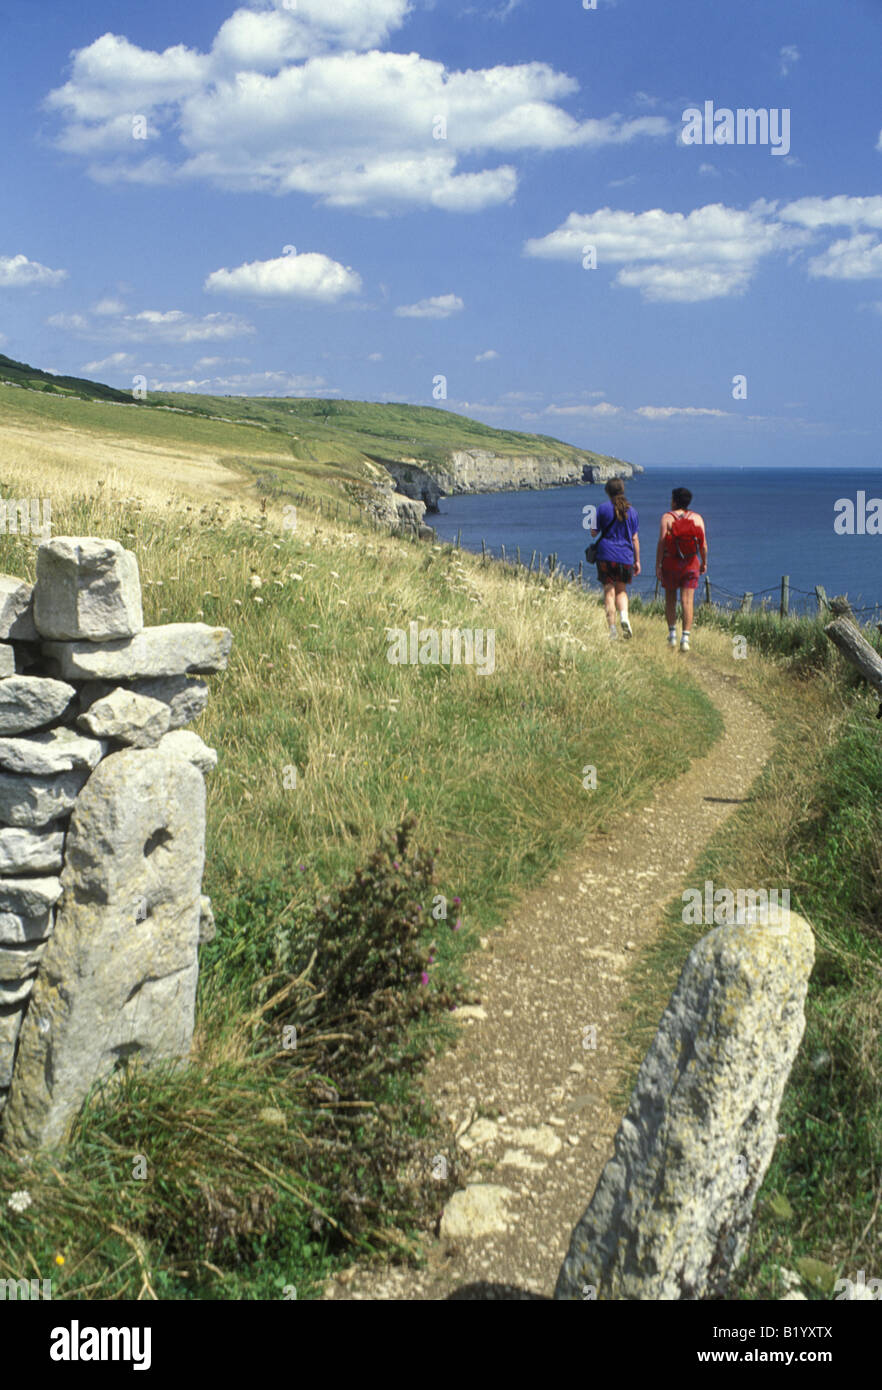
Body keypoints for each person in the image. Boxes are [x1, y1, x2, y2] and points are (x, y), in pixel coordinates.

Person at [656, 487, 707, 652]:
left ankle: (672, 636)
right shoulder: (697, 518)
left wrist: (658, 565)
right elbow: (703, 545)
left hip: (671, 563)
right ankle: (685, 638)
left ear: (674, 501)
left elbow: (661, 543)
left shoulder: (667, 518)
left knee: (670, 600)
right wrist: (704, 563)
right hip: (691, 564)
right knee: (687, 601)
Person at [591, 478, 640, 640]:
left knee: (609, 592)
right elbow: (635, 539)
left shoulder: (602, 508)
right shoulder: (632, 511)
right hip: (625, 556)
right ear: (622, 490)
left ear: (607, 491)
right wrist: (637, 560)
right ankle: (624, 617)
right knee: (621, 591)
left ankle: (612, 629)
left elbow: (593, 533)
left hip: (605, 555)